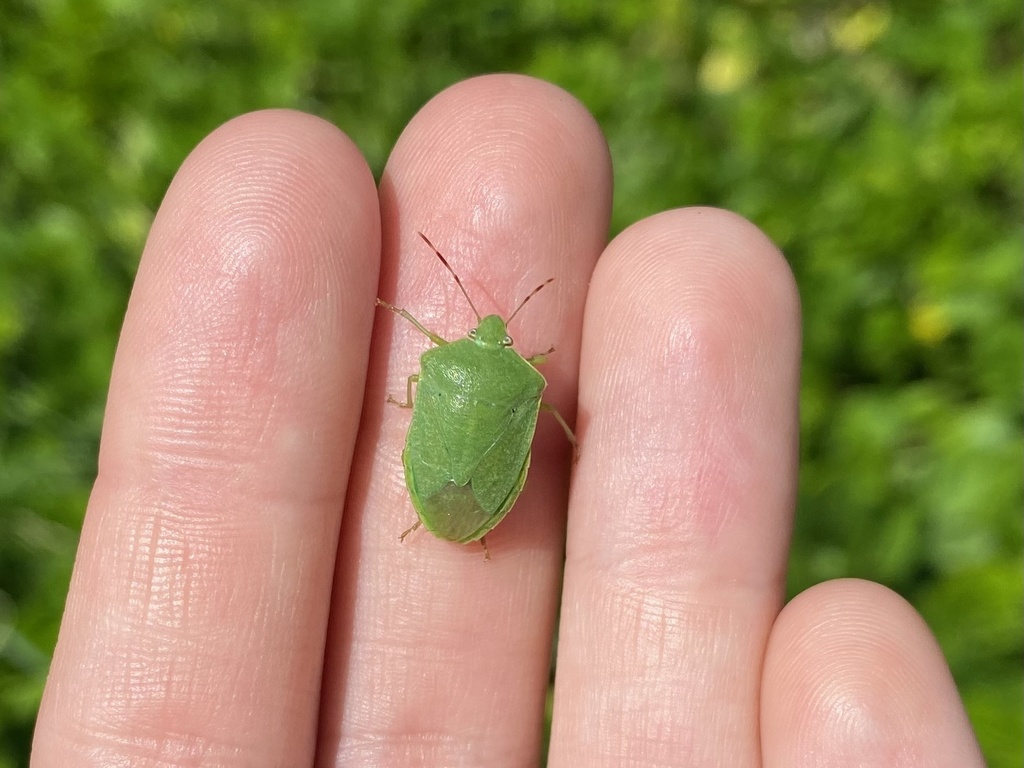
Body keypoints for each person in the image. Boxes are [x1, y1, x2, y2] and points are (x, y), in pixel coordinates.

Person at [30, 75, 984, 766]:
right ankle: (469, 526)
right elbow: (539, 439)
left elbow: (416, 401)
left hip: (442, 466)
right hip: (483, 493)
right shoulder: (526, 384)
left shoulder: (443, 366)